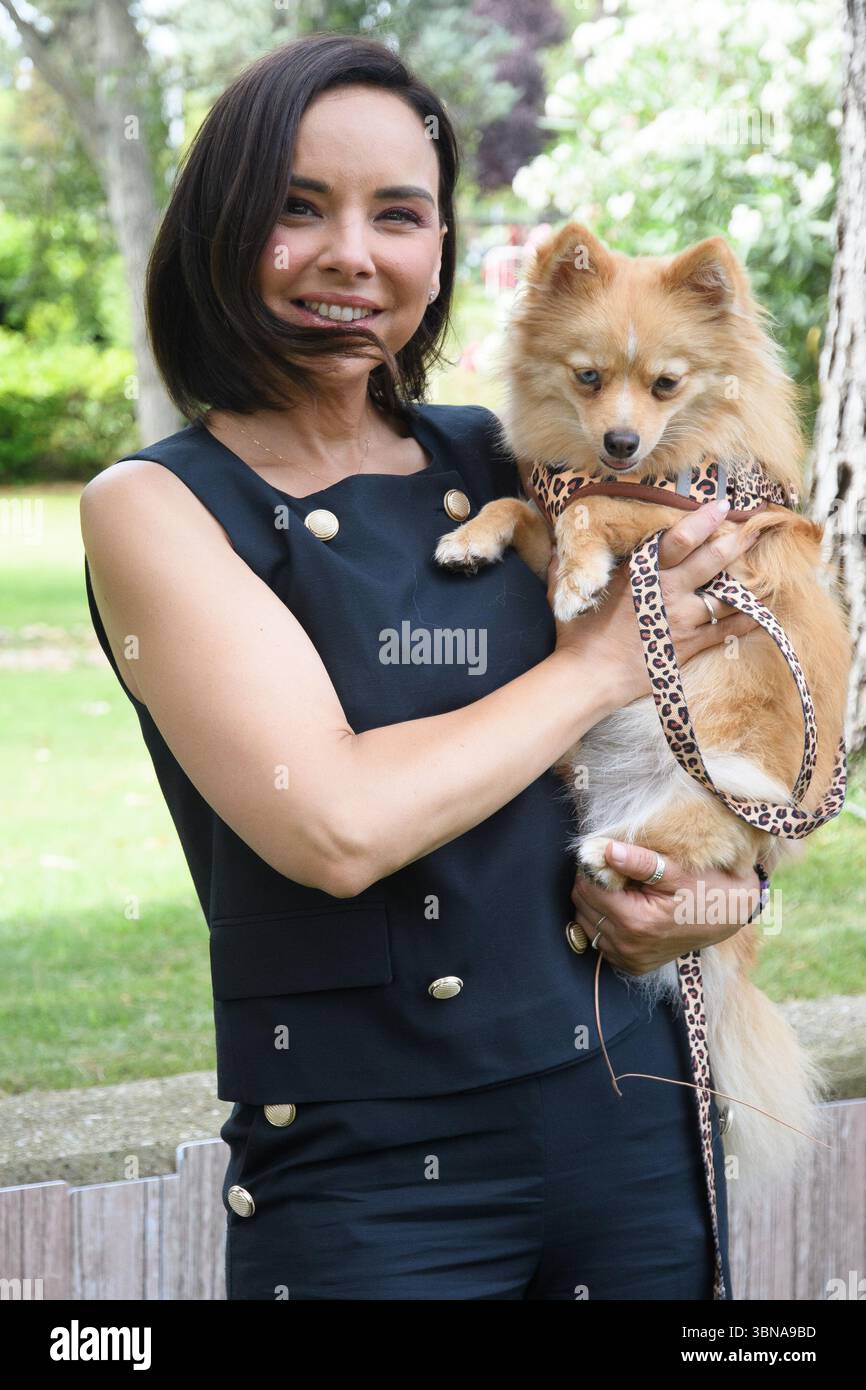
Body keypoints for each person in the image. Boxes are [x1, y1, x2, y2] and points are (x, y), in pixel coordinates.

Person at [80, 33, 765, 1301]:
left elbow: (719, 749)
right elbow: (334, 825)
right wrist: (597, 664)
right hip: (373, 1182)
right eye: (298, 207)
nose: (353, 252)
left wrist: (704, 900)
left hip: (630, 1122)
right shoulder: (162, 506)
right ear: (220, 225)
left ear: (438, 249)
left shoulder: (512, 457)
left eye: (398, 214)